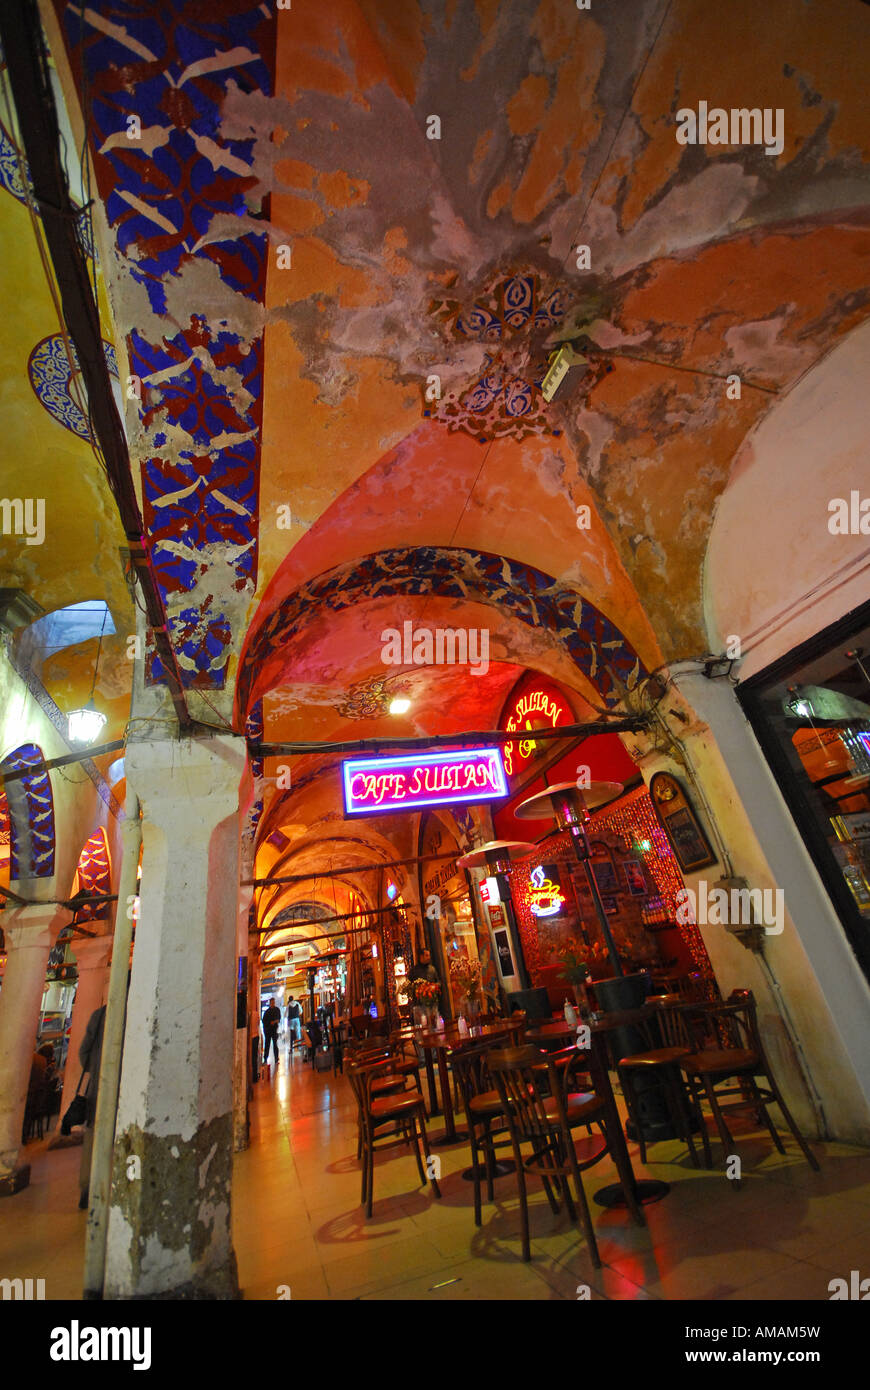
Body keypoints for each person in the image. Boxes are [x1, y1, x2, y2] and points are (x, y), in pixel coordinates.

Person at [78, 1004, 106, 1210]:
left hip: (98, 1088)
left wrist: (97, 1069)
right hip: (128, 1087)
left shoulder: (100, 1014)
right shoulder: (139, 1007)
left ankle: (88, 1187)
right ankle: (130, 1180)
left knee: (94, 1135)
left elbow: (84, 1052)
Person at [262, 997, 281, 1067]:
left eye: (273, 1002)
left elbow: (279, 1019)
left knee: (275, 1044)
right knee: (267, 1045)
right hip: (268, 1031)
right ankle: (265, 1059)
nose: (273, 1004)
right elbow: (264, 1021)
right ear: (270, 1003)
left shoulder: (277, 1010)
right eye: (271, 1003)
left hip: (274, 1030)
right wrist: (270, 1023)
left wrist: (275, 1022)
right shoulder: (267, 1012)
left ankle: (276, 1059)